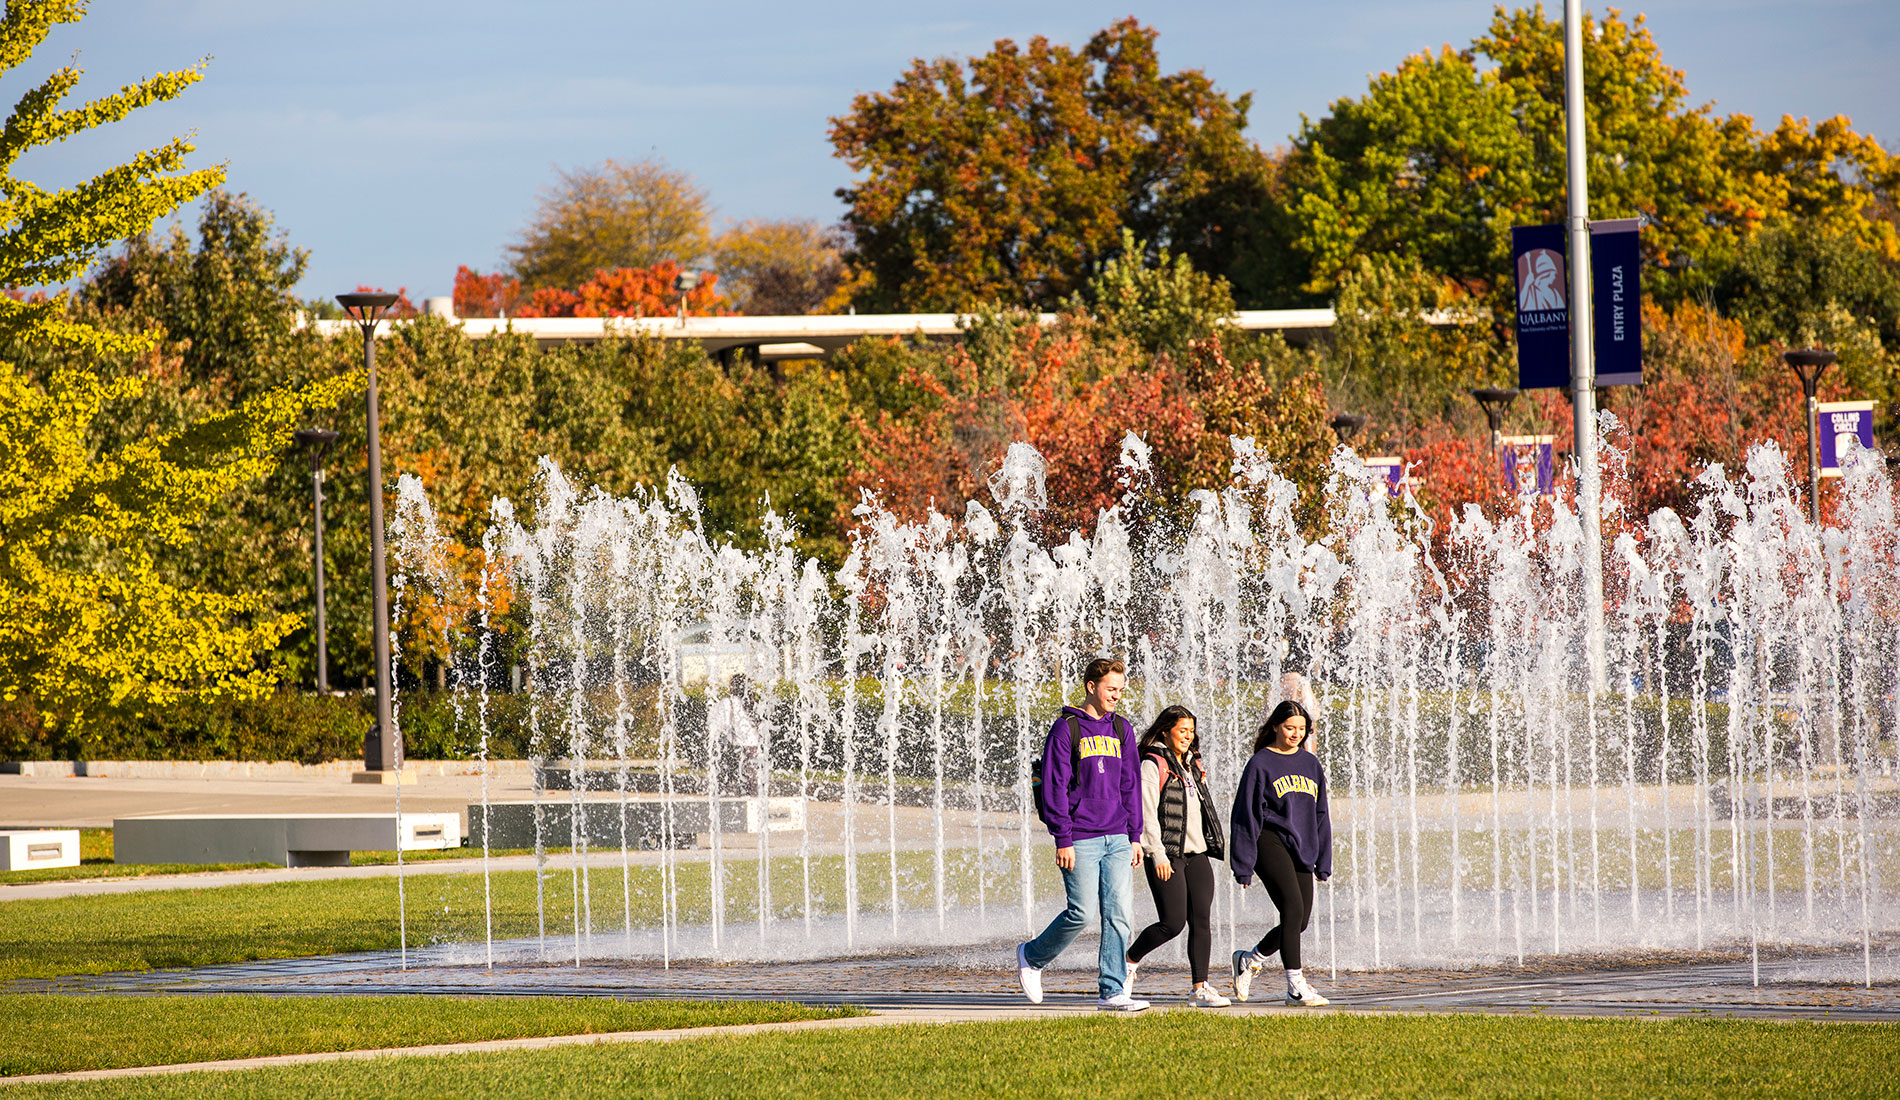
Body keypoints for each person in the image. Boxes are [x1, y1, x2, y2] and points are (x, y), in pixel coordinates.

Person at [1015, 656, 1148, 1012]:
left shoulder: (1123, 729)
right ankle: (1032, 956)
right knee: (1082, 913)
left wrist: (1135, 835)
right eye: (1111, 689)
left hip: (1118, 837)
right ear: (1092, 687)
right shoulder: (1066, 728)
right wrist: (1063, 838)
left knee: (1120, 915)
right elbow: (1054, 787)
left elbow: (1130, 785)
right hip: (1081, 838)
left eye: (1120, 690)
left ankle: (1112, 990)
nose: (1116, 696)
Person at [1228, 699, 1333, 1007]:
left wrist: (1323, 860)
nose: (1295, 734)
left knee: (1299, 920)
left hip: (1301, 844)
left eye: (1302, 729)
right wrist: (1243, 864)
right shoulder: (1261, 763)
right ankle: (1295, 985)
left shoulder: (1311, 763)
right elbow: (1245, 815)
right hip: (1267, 839)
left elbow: (1321, 814)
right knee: (1291, 908)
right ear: (1275, 726)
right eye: (1289, 728)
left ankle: (1250, 959)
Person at [1125, 705, 1231, 1007]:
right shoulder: (1153, 763)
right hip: (1167, 854)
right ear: (1165, 731)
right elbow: (1146, 812)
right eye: (1182, 730)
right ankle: (1129, 961)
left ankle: (1200, 987)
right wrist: (1156, 854)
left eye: (1191, 731)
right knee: (1172, 923)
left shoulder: (1192, 764)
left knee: (1201, 920)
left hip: (1197, 854)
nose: (1188, 736)